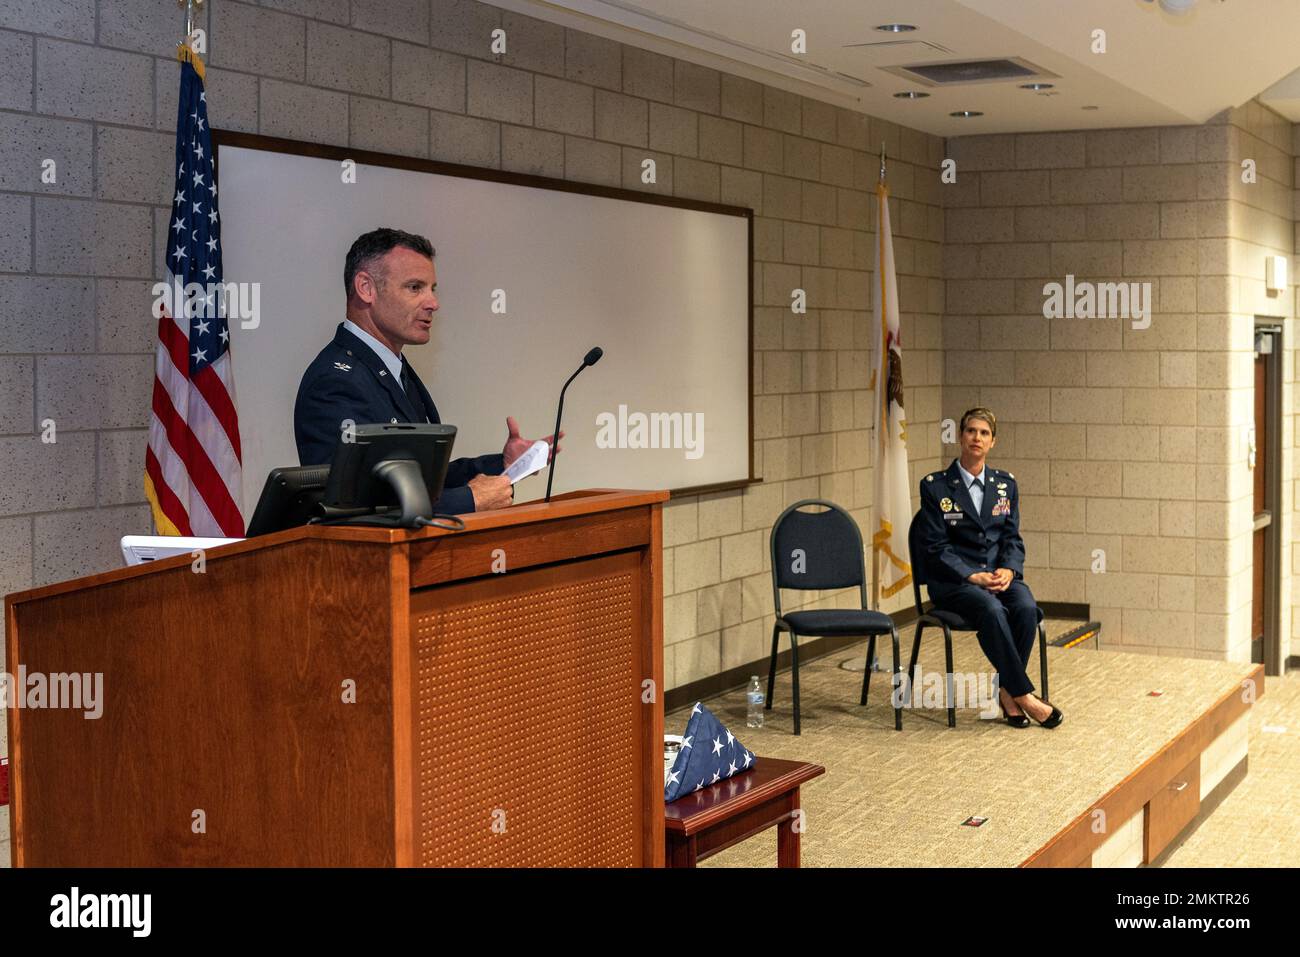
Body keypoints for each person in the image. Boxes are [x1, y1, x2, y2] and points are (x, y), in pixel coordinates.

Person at [294, 227, 559, 515]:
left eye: (432, 289)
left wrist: (503, 464)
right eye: (414, 288)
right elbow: (352, 507)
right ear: (366, 288)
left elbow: (420, 482)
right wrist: (469, 500)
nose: (433, 303)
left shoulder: (389, 367)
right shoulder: (335, 381)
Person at [917, 407, 1063, 728]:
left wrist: (1009, 569)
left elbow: (1012, 537)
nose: (976, 438)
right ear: (960, 436)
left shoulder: (1005, 484)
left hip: (999, 578)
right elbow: (935, 547)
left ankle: (1007, 692)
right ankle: (1024, 697)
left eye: (984, 433)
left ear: (992, 441)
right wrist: (971, 574)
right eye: (971, 431)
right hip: (955, 583)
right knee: (994, 612)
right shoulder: (936, 487)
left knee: (1025, 607)